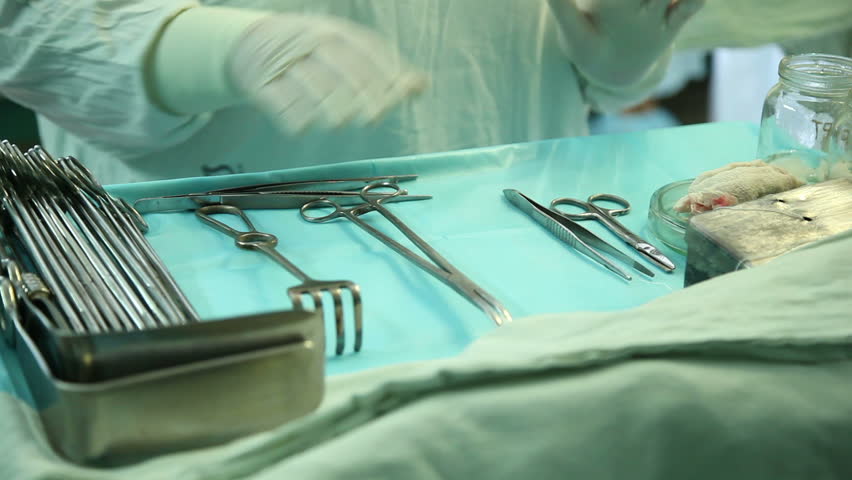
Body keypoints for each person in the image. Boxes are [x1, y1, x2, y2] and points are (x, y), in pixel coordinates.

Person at [0, 0, 703, 184]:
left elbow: (588, 43)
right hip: (211, 239)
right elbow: (26, 22)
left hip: (519, 211)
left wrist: (621, 63)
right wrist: (201, 50)